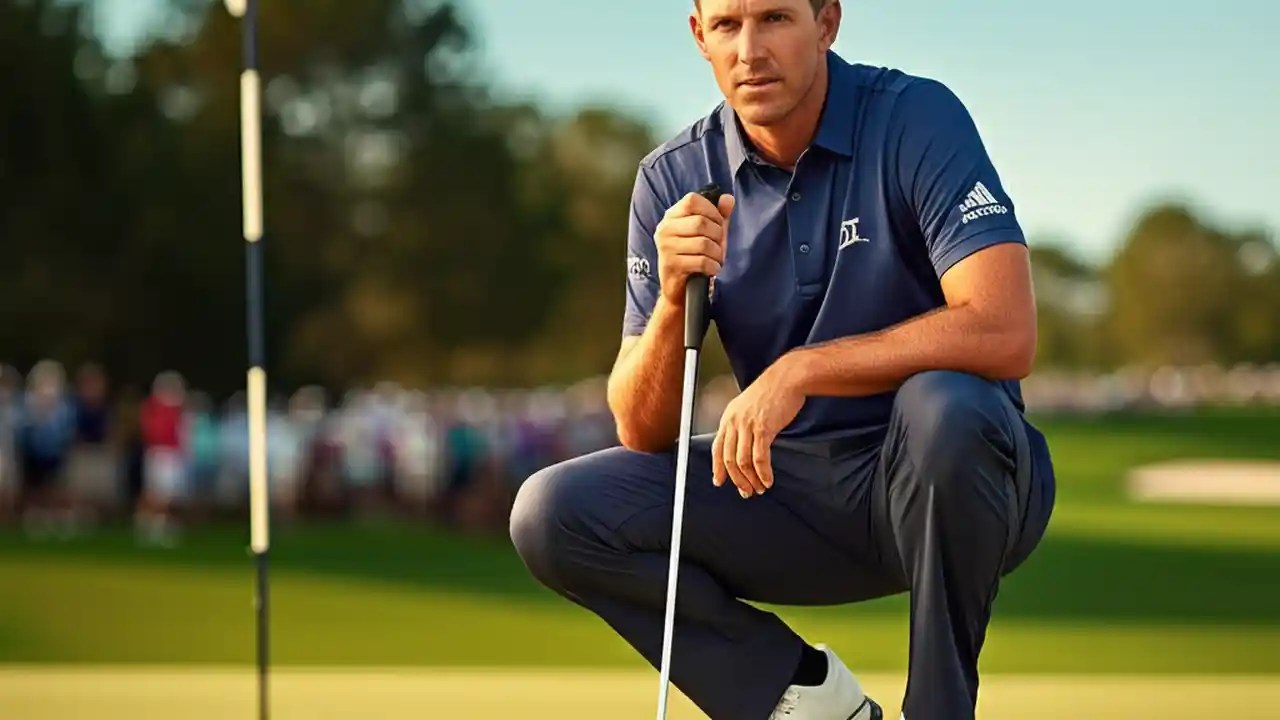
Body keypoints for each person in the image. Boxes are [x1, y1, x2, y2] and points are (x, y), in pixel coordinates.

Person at [509, 2, 1056, 719]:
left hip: (958, 479)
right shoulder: (674, 178)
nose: (750, 50)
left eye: (775, 18)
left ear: (827, 22)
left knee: (942, 408)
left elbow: (1004, 329)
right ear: (699, 34)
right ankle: (806, 696)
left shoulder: (915, 117)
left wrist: (800, 368)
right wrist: (674, 298)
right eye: (728, 25)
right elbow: (642, 429)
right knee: (554, 512)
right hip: (790, 491)